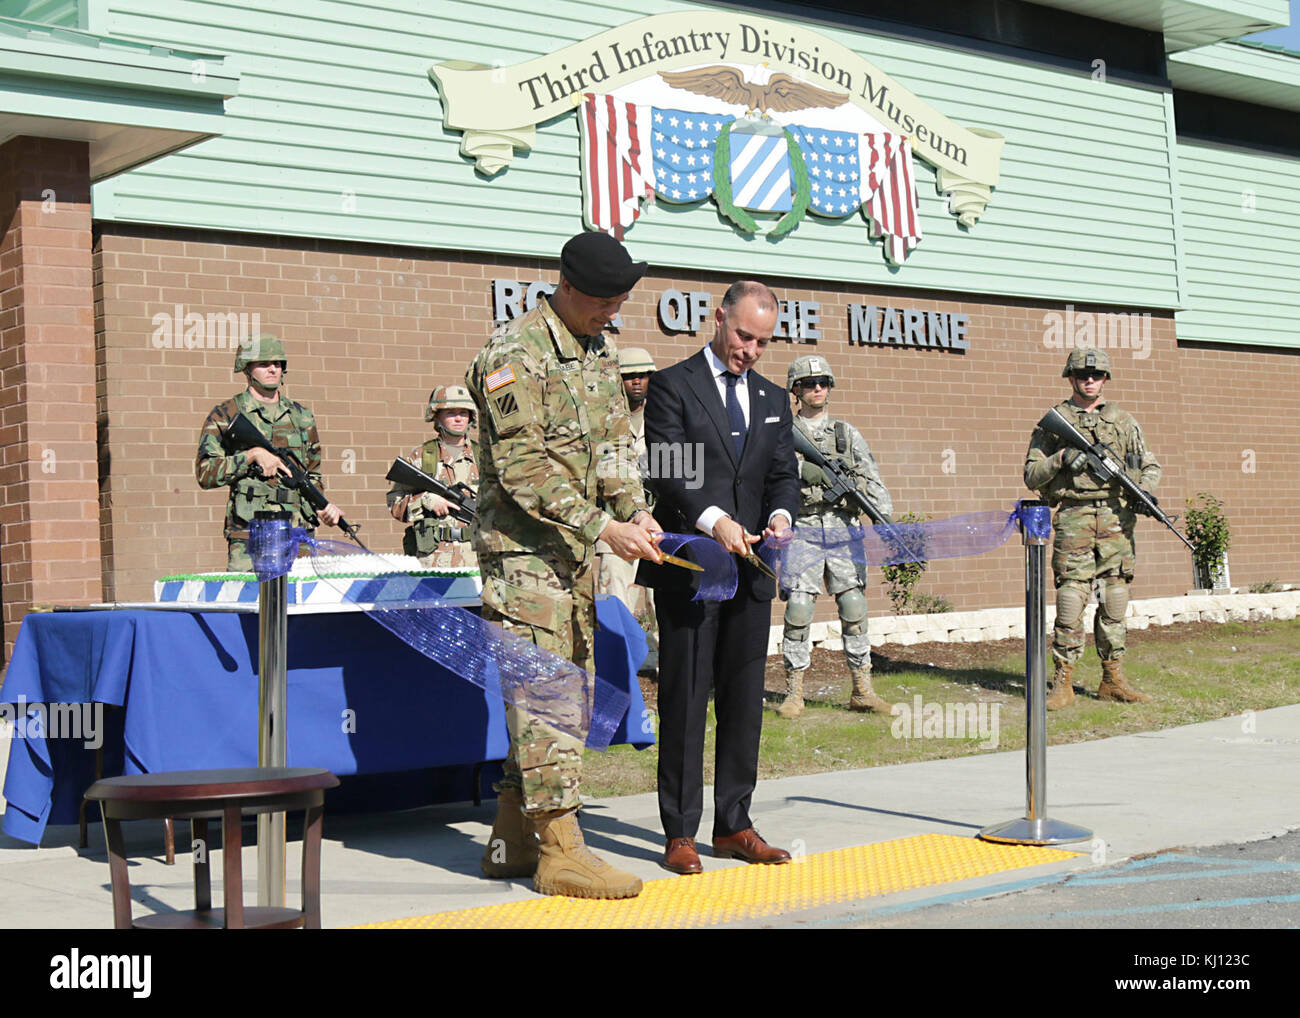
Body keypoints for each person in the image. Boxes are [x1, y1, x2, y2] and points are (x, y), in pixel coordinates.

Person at [466, 231, 662, 899]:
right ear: (567, 288)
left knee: (555, 689)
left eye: (623, 301)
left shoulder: (598, 352)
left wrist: (634, 510)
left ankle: (512, 839)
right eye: (606, 301)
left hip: (574, 555)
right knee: (548, 692)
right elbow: (522, 471)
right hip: (522, 556)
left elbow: (613, 447)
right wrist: (603, 525)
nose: (614, 313)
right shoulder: (511, 354)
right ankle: (561, 852)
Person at [641, 280, 800, 876]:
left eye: (763, 341)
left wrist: (781, 516)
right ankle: (679, 832)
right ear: (717, 319)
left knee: (743, 701)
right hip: (692, 567)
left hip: (753, 571)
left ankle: (734, 823)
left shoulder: (773, 398)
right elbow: (668, 469)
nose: (752, 350)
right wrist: (717, 522)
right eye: (743, 335)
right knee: (686, 698)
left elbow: (783, 474)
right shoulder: (672, 385)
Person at [1024, 348, 1161, 708]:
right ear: (1071, 377)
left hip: (1117, 520)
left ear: (1105, 379)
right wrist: (1063, 457)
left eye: (1097, 375)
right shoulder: (1054, 422)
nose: (1090, 380)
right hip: (1075, 517)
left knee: (1114, 598)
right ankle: (1063, 682)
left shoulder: (1123, 421)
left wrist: (1143, 491)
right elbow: (1031, 475)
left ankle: (1112, 679)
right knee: (1072, 597)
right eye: (1083, 374)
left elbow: (1149, 466)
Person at [777, 354, 893, 719]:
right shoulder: (782, 433)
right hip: (803, 528)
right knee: (798, 607)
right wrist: (802, 469)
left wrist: (884, 519)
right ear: (796, 389)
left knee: (854, 606)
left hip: (843, 528)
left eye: (823, 383)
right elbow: (771, 474)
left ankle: (862, 689)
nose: (817, 389)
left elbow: (870, 476)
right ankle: (794, 692)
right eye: (810, 384)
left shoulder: (845, 433)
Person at [195, 334, 341, 571]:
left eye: (278, 364)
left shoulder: (302, 416)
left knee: (297, 602)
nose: (273, 369)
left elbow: (313, 474)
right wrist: (250, 456)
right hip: (249, 536)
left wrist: (322, 506)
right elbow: (205, 473)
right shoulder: (227, 414)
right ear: (246, 369)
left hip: (297, 535)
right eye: (264, 364)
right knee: (250, 602)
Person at [595, 346, 659, 675]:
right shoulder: (602, 420)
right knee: (613, 603)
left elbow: (688, 471)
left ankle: (663, 666)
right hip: (615, 527)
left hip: (654, 524)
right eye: (629, 376)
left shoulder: (664, 419)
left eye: (643, 375)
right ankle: (615, 672)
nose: (637, 382)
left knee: (659, 602)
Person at [386, 384, 479, 569]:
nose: (459, 418)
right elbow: (395, 503)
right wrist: (426, 500)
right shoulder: (421, 456)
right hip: (434, 558)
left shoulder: (484, 456)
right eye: (451, 413)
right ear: (436, 416)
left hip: (476, 559)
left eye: (463, 412)